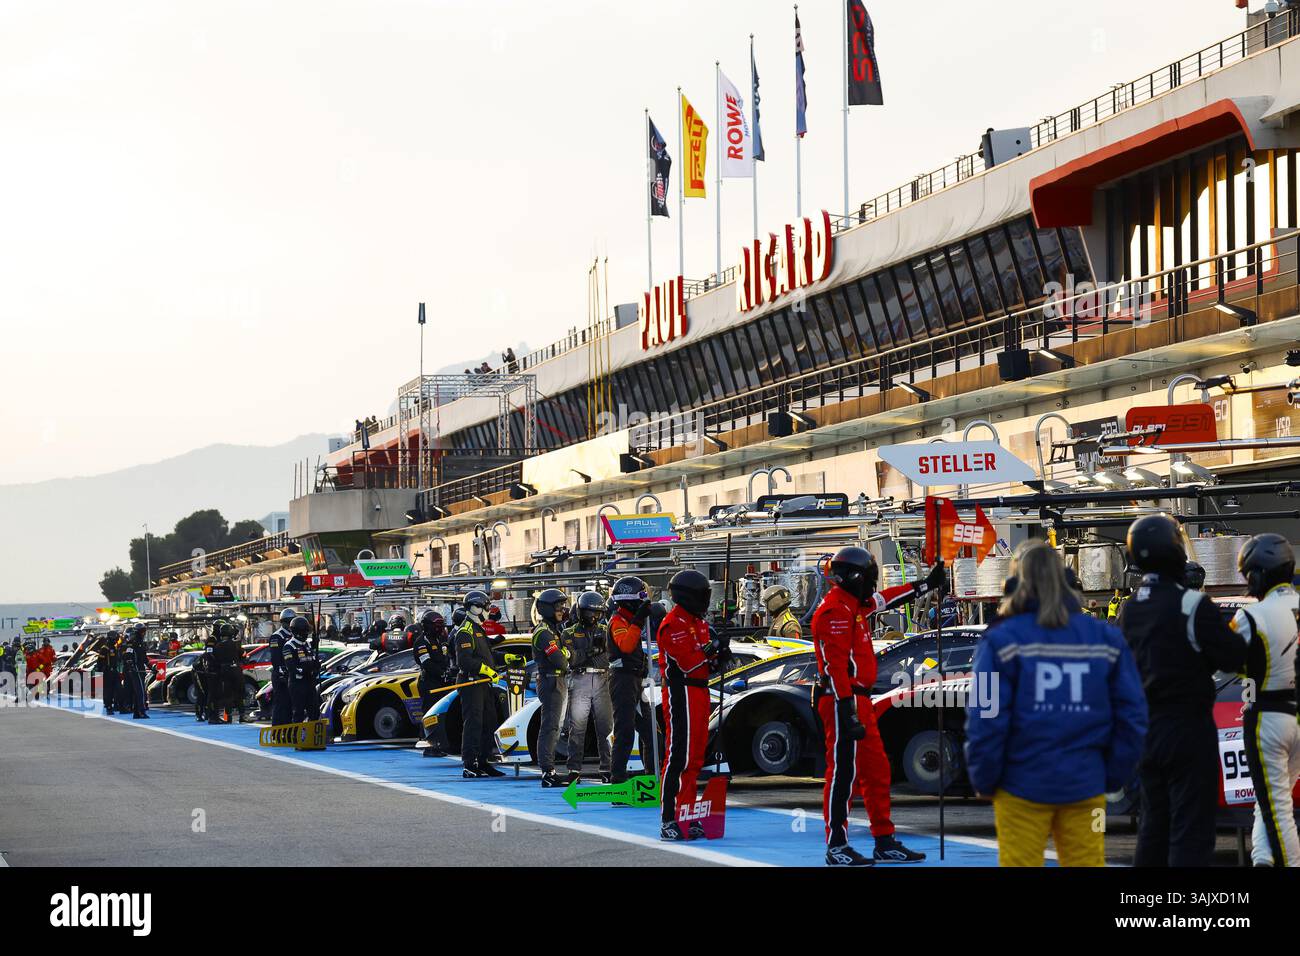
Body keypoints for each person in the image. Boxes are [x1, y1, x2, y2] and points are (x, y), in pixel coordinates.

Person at [966, 542, 1148, 867]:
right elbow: (1132, 716)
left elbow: (986, 716)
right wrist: (1111, 775)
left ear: (1014, 583)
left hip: (1019, 786)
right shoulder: (1105, 639)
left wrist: (984, 776)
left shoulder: (999, 641)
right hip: (1086, 785)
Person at [1119, 513, 1248, 867]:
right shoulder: (1192, 604)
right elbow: (1234, 654)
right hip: (1186, 727)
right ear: (1174, 551)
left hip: (1146, 729)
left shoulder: (1131, 609)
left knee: (1153, 826)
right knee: (1191, 828)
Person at [811, 547, 942, 865]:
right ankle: (837, 846)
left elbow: (887, 599)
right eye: (869, 578)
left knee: (877, 772)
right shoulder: (834, 612)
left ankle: (884, 840)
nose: (873, 585)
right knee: (843, 773)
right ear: (855, 578)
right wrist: (846, 708)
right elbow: (834, 666)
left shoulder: (854, 605)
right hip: (844, 699)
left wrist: (924, 585)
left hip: (859, 699)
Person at [1231, 533, 1299, 867]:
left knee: (1277, 810)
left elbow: (1226, 657)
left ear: (1259, 573)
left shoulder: (1253, 616)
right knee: (1272, 801)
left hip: (1268, 718)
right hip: (1297, 718)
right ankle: (1261, 860)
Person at [658, 569, 724, 841]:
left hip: (699, 692)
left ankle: (687, 812)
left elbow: (709, 664)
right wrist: (710, 650)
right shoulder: (672, 624)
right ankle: (669, 818)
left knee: (696, 758)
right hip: (680, 691)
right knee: (678, 757)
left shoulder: (699, 623)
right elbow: (689, 661)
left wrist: (721, 652)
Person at [563, 591, 614, 785]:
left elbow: (607, 657)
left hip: (603, 679)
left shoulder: (606, 629)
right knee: (577, 728)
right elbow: (572, 658)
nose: (595, 616)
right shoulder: (568, 632)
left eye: (598, 613)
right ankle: (574, 769)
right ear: (581, 611)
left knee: (605, 728)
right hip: (580, 678)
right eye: (591, 612)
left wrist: (586, 654)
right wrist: (590, 652)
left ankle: (607, 769)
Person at [608, 576, 654, 785]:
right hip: (622, 681)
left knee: (652, 732)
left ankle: (651, 778)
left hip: (636, 681)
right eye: (641, 599)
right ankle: (617, 780)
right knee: (625, 732)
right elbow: (626, 646)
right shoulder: (618, 620)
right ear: (630, 600)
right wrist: (637, 621)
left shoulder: (629, 620)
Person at [455, 591, 505, 778]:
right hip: (471, 683)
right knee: (473, 724)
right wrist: (487, 670)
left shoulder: (479, 629)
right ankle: (470, 764)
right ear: (475, 608)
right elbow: (465, 661)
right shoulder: (465, 631)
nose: (487, 612)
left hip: (484, 684)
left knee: (489, 723)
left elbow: (489, 656)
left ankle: (483, 762)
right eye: (485, 608)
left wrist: (508, 658)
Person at [531, 589, 571, 787]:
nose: (562, 610)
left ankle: (550, 770)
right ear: (546, 608)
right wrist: (566, 653)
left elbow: (564, 655)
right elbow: (561, 661)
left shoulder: (553, 630)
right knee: (550, 727)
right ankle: (548, 772)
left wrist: (565, 653)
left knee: (556, 727)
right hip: (551, 681)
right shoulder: (544, 633)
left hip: (556, 681)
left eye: (562, 606)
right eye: (558, 606)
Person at [412, 610, 452, 758]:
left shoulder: (441, 640)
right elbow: (427, 663)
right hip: (428, 683)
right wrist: (442, 673)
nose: (440, 628)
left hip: (442, 683)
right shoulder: (421, 642)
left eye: (441, 625)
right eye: (437, 625)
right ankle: (427, 744)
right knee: (429, 712)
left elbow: (448, 656)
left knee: (441, 714)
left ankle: (440, 743)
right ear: (427, 626)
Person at [283, 616, 318, 723]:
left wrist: (316, 666)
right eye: (304, 632)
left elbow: (311, 660)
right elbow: (292, 667)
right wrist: (306, 670)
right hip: (297, 683)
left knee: (314, 711)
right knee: (298, 712)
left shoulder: (307, 644)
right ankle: (296, 737)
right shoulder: (289, 646)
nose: (306, 634)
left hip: (309, 682)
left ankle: (312, 734)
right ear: (297, 632)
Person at [269, 608, 296, 727]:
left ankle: (288, 728)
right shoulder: (277, 636)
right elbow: (275, 658)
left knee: (290, 704)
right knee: (280, 703)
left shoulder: (294, 636)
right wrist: (281, 671)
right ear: (283, 622)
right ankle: (276, 730)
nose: (289, 624)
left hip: (290, 673)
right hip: (280, 673)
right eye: (288, 621)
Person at [122, 624, 150, 719]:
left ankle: (137, 713)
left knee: (139, 691)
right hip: (136, 669)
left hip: (140, 668)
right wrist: (131, 665)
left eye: (144, 631)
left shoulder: (141, 643)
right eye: (142, 631)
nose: (144, 633)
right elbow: (127, 655)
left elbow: (144, 657)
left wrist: (151, 666)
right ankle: (141, 711)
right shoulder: (132, 642)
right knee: (140, 691)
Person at [192, 632, 217, 722]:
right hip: (199, 673)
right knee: (202, 694)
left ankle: (207, 713)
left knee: (208, 694)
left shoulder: (214, 651)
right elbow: (205, 660)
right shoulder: (206, 654)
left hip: (207, 674)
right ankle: (199, 714)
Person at [98, 632, 122, 715]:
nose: (117, 640)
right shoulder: (105, 648)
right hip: (107, 672)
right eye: (116, 638)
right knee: (108, 691)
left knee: (118, 689)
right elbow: (100, 662)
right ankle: (108, 707)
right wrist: (102, 671)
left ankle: (116, 704)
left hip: (114, 671)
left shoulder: (114, 648)